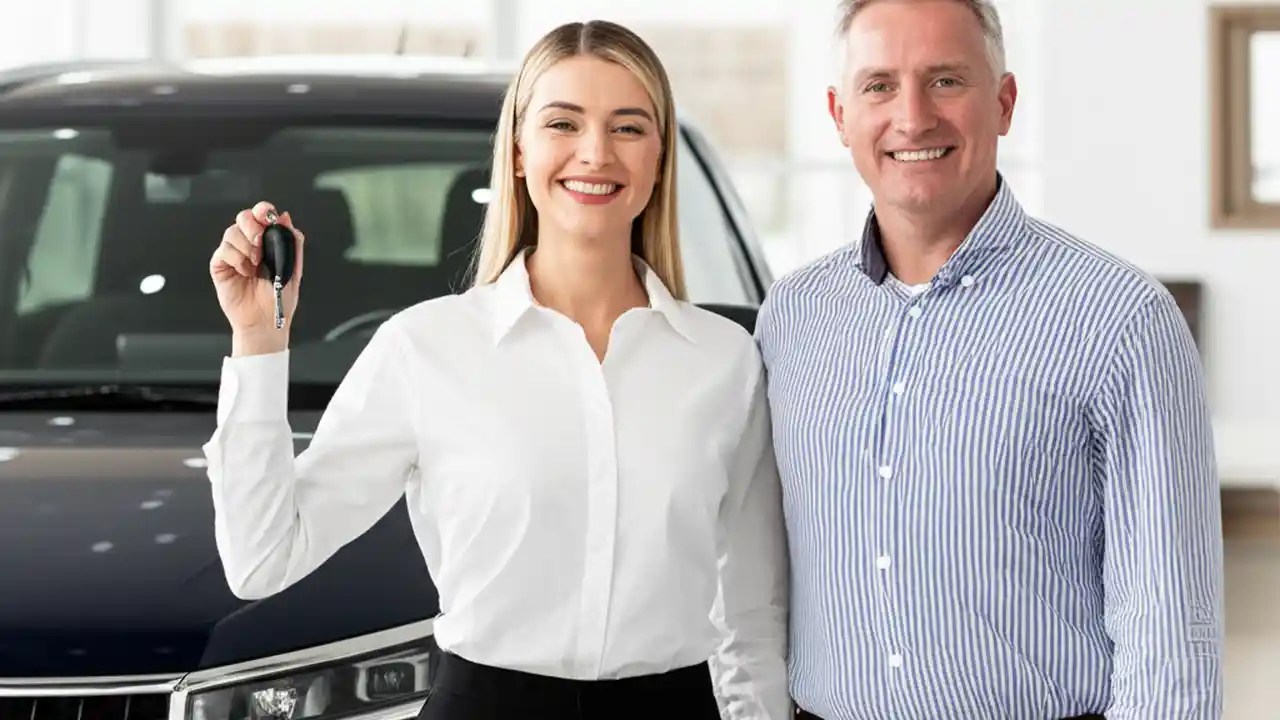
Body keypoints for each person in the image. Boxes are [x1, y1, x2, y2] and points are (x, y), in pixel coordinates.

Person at [202, 19, 790, 720]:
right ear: (518, 151)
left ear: (660, 157)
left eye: (628, 128)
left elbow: (753, 617)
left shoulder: (725, 362)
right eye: (563, 124)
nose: (595, 153)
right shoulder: (426, 350)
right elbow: (261, 559)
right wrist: (258, 340)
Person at [755, 1, 1225, 718]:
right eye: (879, 85)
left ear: (1004, 102)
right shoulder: (790, 319)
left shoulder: (1121, 320)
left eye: (946, 81)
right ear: (839, 113)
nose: (912, 118)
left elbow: (1170, 636)